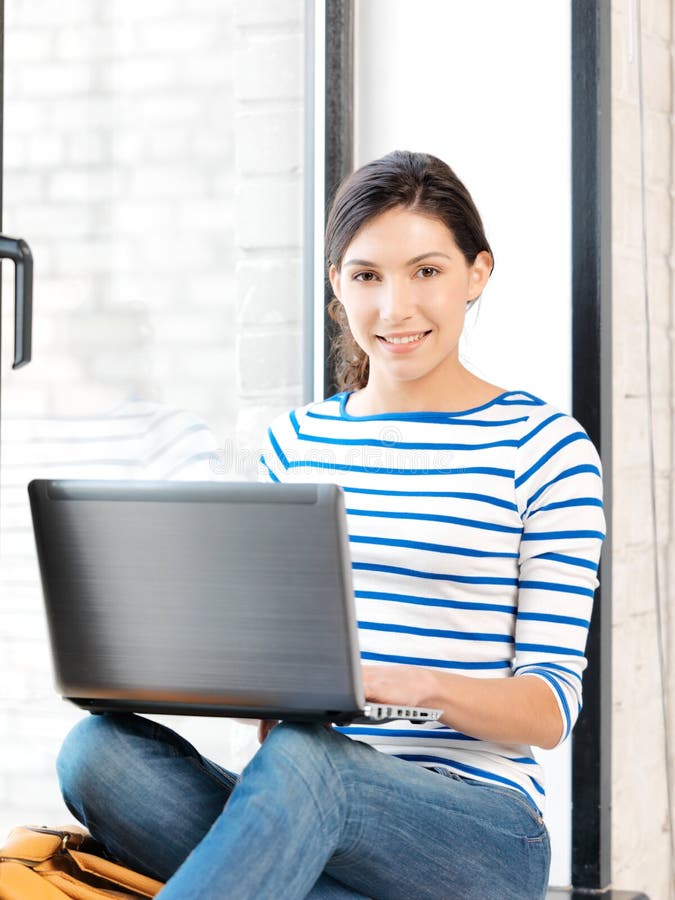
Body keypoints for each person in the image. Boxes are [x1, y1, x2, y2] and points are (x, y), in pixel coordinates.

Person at [56, 150, 605, 900]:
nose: (395, 308)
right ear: (336, 286)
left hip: (479, 831)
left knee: (309, 759)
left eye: (426, 271)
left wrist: (405, 687)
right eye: (367, 276)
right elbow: (265, 657)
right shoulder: (296, 444)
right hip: (298, 799)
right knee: (96, 753)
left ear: (477, 273)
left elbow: (548, 708)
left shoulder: (544, 448)